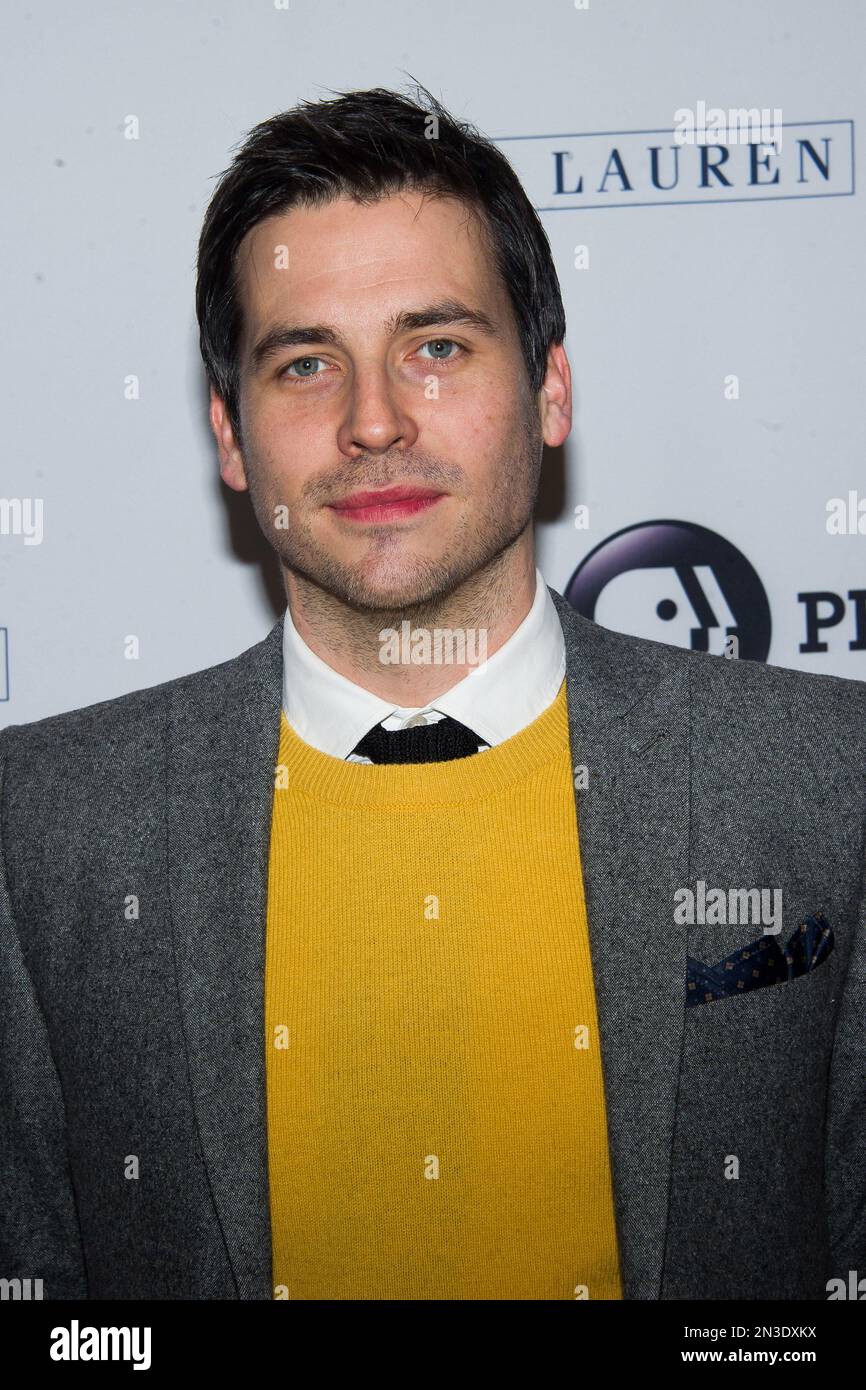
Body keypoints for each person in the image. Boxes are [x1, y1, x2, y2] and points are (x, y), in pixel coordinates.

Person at [1, 83, 864, 1302]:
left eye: (437, 348)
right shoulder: (44, 826)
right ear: (230, 434)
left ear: (550, 389)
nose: (372, 422)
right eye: (305, 363)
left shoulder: (826, 780)